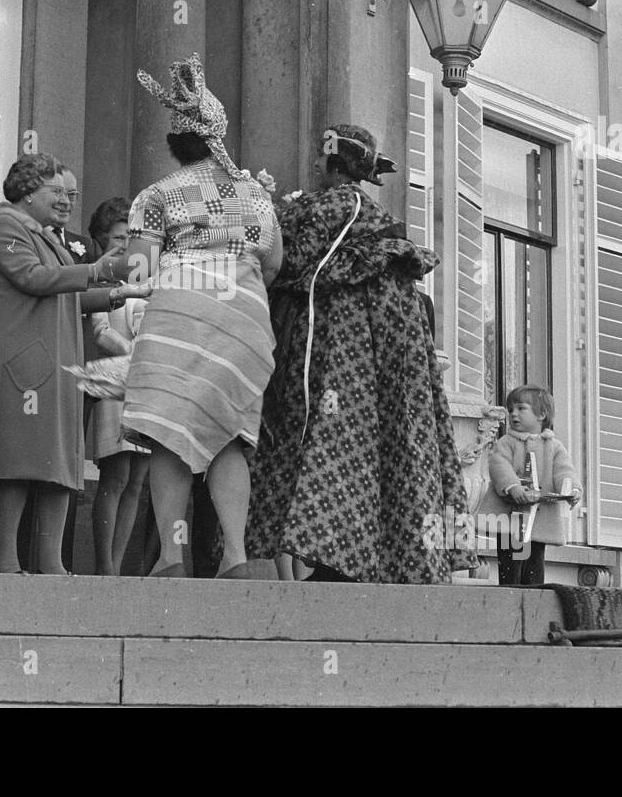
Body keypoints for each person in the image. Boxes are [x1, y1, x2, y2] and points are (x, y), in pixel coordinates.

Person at [248, 123, 476, 584]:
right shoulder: (372, 213)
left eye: (320, 157)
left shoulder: (330, 203)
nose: (314, 165)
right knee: (382, 440)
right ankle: (371, 558)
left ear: (335, 163)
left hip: (341, 339)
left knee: (331, 436)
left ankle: (337, 559)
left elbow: (288, 263)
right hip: (388, 344)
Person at [114, 55, 282, 580]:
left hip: (180, 310)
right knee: (231, 433)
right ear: (220, 136)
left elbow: (139, 266)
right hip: (244, 314)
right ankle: (235, 555)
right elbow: (273, 264)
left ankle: (171, 555)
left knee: (169, 431)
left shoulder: (157, 195)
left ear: (175, 144)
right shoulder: (256, 194)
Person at [0, 153, 128, 574]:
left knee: (58, 465)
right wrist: (96, 269)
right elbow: (32, 278)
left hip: (54, 363)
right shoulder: (4, 228)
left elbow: (66, 292)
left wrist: (121, 294)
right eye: (55, 190)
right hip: (24, 365)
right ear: (27, 192)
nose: (65, 199)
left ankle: (51, 563)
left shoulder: (42, 234)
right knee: (19, 465)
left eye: (67, 192)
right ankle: (6, 561)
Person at [84, 198, 150, 576]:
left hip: (146, 386)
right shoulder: (101, 276)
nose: (126, 245)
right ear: (102, 239)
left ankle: (119, 564)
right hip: (114, 381)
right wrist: (133, 354)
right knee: (116, 475)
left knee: (138, 480)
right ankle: (104, 567)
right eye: (118, 237)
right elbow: (101, 331)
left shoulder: (144, 276)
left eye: (132, 238)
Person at [479, 385, 581, 586]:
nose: (513, 414)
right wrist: (512, 486)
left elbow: (564, 471)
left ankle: (533, 604)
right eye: (511, 410)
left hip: (539, 519)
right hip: (511, 519)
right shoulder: (506, 442)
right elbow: (499, 465)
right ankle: (511, 598)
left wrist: (571, 489)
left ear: (541, 414)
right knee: (511, 565)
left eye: (520, 408)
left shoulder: (554, 447)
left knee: (534, 564)